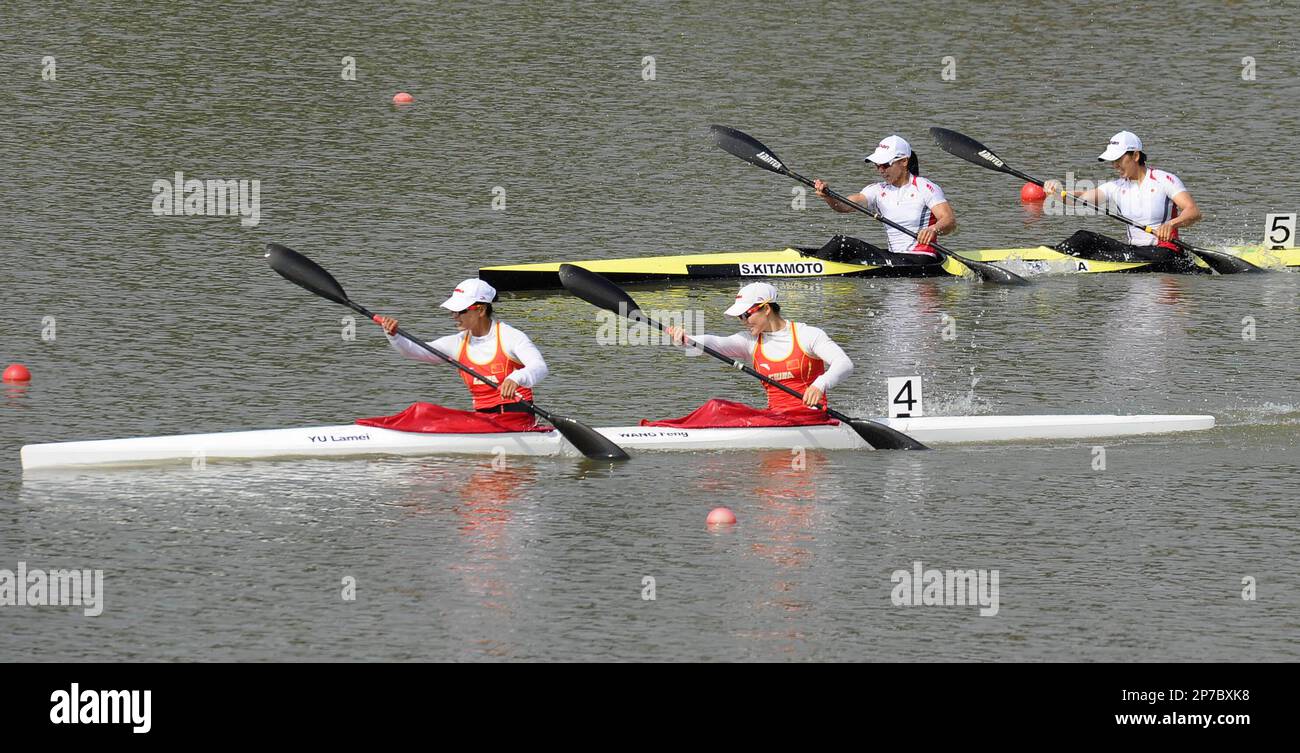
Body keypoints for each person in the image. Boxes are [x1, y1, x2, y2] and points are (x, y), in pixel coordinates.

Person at [665, 282, 852, 411]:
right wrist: (686, 339)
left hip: (812, 416)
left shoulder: (808, 335)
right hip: (777, 418)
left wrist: (820, 384)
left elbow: (844, 363)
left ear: (767, 308)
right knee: (717, 406)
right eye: (740, 317)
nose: (743, 321)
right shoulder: (750, 342)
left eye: (746, 315)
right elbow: (717, 343)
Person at [375, 278, 548, 415]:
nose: (454, 316)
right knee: (425, 411)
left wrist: (516, 378)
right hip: (483, 421)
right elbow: (415, 351)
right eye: (452, 311)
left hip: (516, 421)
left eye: (460, 311)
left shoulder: (511, 337)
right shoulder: (457, 343)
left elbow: (539, 367)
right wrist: (394, 335)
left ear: (480, 310)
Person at [1043, 131, 1203, 270]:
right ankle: (1047, 259)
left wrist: (1171, 224)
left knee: (1107, 256)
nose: (1115, 165)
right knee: (1083, 237)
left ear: (1136, 155)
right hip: (1134, 251)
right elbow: (1082, 198)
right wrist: (1058, 193)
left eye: (1118, 159)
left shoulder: (1164, 180)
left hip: (1165, 253)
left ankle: (1080, 262)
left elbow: (1193, 211)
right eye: (1113, 161)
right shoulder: (1115, 187)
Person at [810, 135, 957, 267]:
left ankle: (808, 267)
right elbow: (845, 206)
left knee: (841, 243)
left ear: (904, 161)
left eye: (885, 165)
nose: (881, 170)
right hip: (896, 258)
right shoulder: (877, 190)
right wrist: (828, 197)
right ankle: (813, 265)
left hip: (922, 259)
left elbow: (949, 220)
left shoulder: (925, 187)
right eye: (877, 165)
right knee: (846, 253)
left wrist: (933, 229)